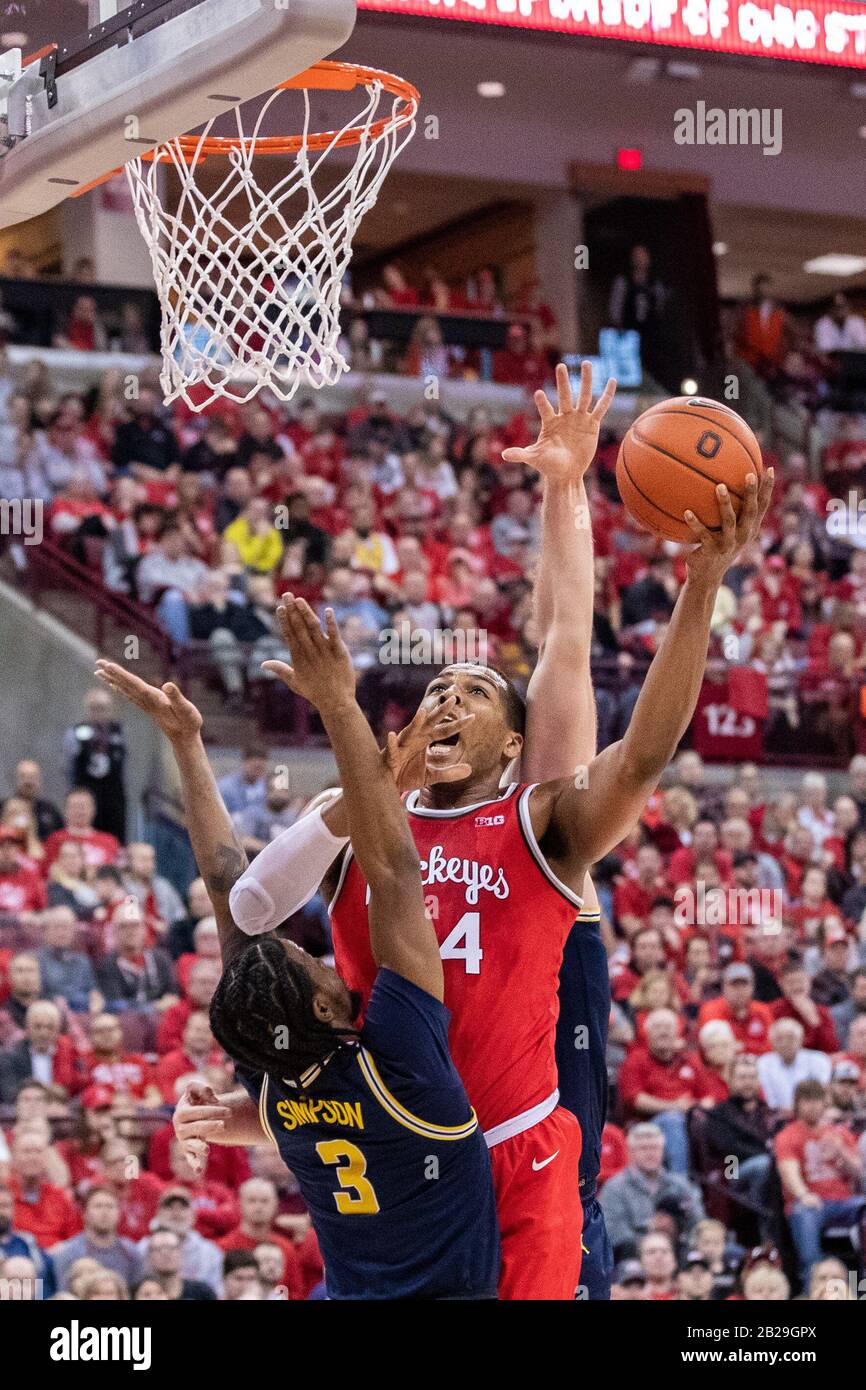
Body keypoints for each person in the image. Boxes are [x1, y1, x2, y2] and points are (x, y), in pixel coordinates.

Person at [227, 378, 774, 1297]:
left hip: (515, 1151)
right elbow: (252, 911)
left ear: (514, 743)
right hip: (399, 1153)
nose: (446, 697)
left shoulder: (538, 816)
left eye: (474, 691)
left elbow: (631, 741)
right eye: (436, 687)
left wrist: (697, 578)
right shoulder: (366, 826)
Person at [95, 647, 501, 1301]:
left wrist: (188, 743)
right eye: (311, 962)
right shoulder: (398, 1059)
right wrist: (345, 717)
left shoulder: (283, 1084)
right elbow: (395, 870)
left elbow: (232, 889)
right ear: (321, 1009)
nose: (318, 955)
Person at [775, 1079, 866, 1289]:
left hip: (845, 1203)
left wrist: (840, 1150)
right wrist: (803, 1194)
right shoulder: (787, 1136)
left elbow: (859, 1172)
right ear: (797, 1104)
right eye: (807, 1101)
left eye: (817, 1100)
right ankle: (811, 1285)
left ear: (824, 1102)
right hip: (811, 1202)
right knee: (804, 1212)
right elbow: (789, 1172)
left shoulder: (839, 1132)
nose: (813, 1106)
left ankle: (862, 1279)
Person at [599, 1123, 704, 1258]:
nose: (650, 1153)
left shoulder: (681, 1184)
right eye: (644, 1148)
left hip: (679, 1252)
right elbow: (611, 1232)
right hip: (633, 1257)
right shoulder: (614, 1188)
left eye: (655, 1148)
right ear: (630, 1152)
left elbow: (699, 1221)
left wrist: (677, 1230)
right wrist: (649, 1232)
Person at [51, 1186, 143, 1291]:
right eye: (98, 1206)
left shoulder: (131, 1253)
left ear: (119, 1213)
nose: (105, 1212)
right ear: (84, 1214)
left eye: (110, 1206)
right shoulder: (68, 1253)